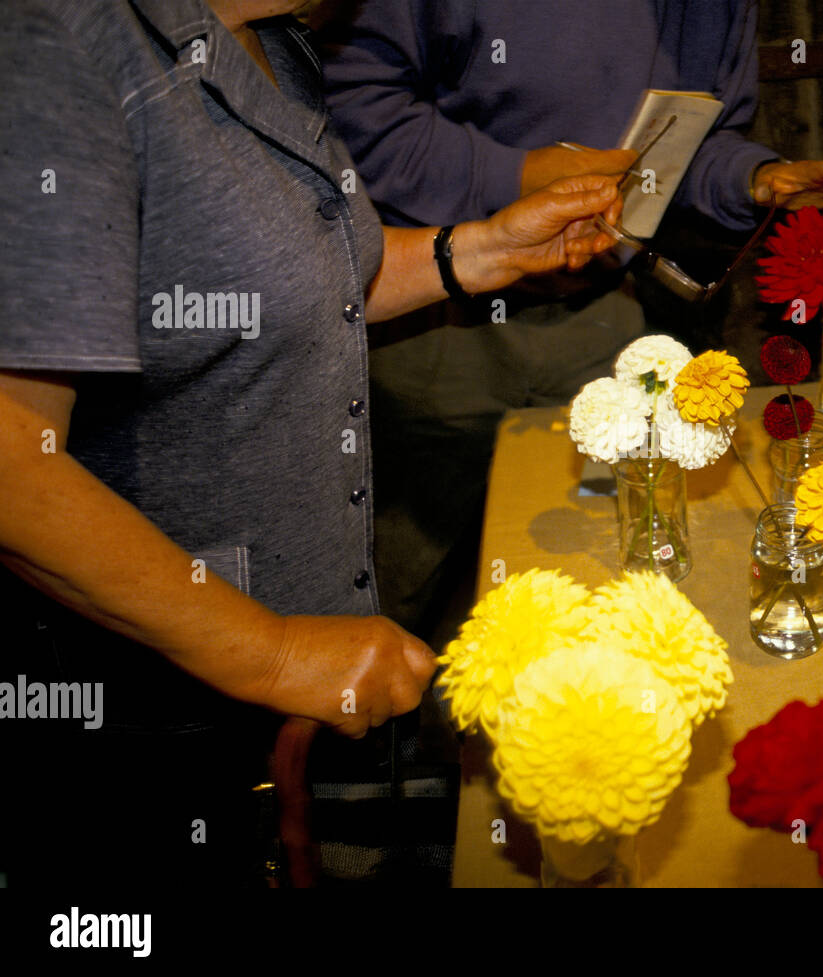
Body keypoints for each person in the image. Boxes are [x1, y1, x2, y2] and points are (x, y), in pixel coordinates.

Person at [0, 0, 620, 887]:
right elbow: (13, 458)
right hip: (160, 729)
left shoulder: (277, 43)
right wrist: (273, 651)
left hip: (288, 711)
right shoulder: (56, 41)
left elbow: (277, 289)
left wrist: (471, 253)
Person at [318, 0, 823, 637]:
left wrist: (754, 178)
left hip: (603, 325)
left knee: (611, 570)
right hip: (430, 322)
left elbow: (683, 148)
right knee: (388, 609)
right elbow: (349, 108)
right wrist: (517, 175)